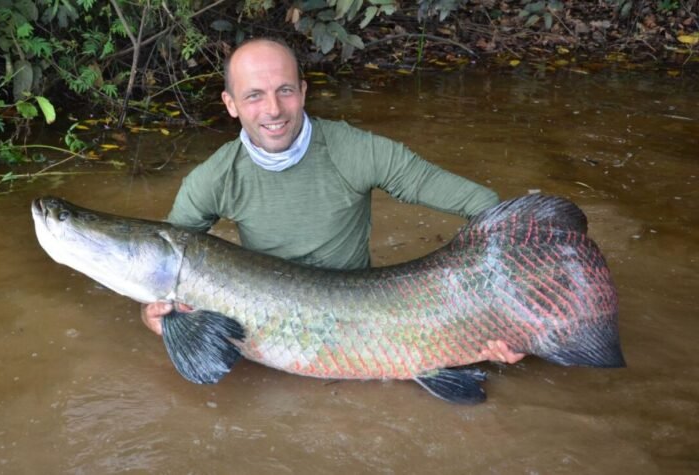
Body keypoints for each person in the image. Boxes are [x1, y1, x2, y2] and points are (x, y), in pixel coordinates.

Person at [142, 38, 524, 364]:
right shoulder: (212, 178)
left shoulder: (357, 151)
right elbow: (165, 265)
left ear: (303, 91)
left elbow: (488, 206)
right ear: (230, 103)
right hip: (267, 317)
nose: (273, 110)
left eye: (285, 90)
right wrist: (153, 314)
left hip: (365, 319)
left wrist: (498, 307)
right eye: (254, 96)